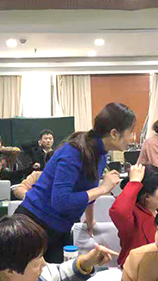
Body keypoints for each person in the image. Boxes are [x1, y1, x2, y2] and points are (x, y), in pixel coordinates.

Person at [16, 103, 135, 263]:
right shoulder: (74, 152)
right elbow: (61, 201)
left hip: (60, 227)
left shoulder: (99, 153)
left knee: (60, 277)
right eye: (130, 132)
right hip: (33, 225)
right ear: (114, 133)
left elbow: (88, 189)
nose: (132, 138)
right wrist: (103, 189)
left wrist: (90, 219)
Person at [110, 164, 158, 267]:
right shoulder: (134, 216)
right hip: (136, 271)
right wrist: (134, 182)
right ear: (147, 197)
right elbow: (118, 211)